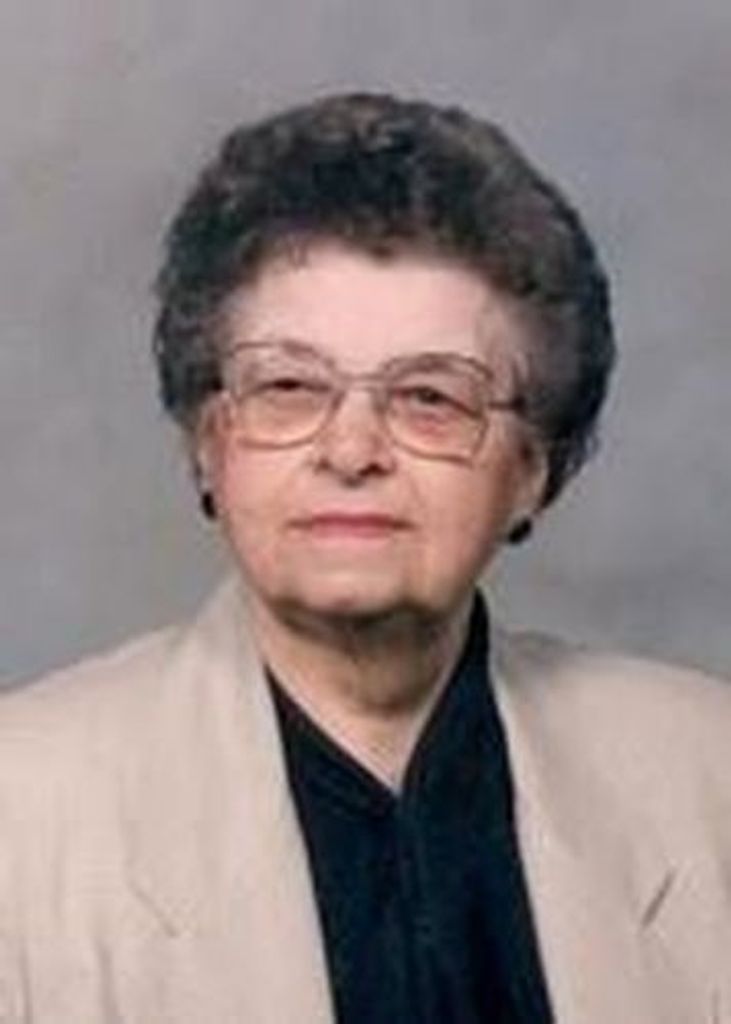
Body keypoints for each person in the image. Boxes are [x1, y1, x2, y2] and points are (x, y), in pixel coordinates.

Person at [0, 92, 729, 1024]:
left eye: (430, 397)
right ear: (208, 444)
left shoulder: (708, 772)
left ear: (530, 471)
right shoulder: (22, 811)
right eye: (288, 386)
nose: (350, 452)